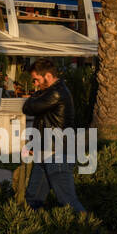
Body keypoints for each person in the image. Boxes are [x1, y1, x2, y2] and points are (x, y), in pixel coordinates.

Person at [21, 58, 86, 212]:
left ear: (48, 76)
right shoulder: (49, 92)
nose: (35, 84)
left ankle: (92, 233)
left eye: (36, 80)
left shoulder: (56, 93)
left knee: (68, 201)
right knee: (33, 199)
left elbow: (28, 108)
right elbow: (42, 120)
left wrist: (33, 96)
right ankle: (34, 233)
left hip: (57, 154)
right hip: (45, 153)